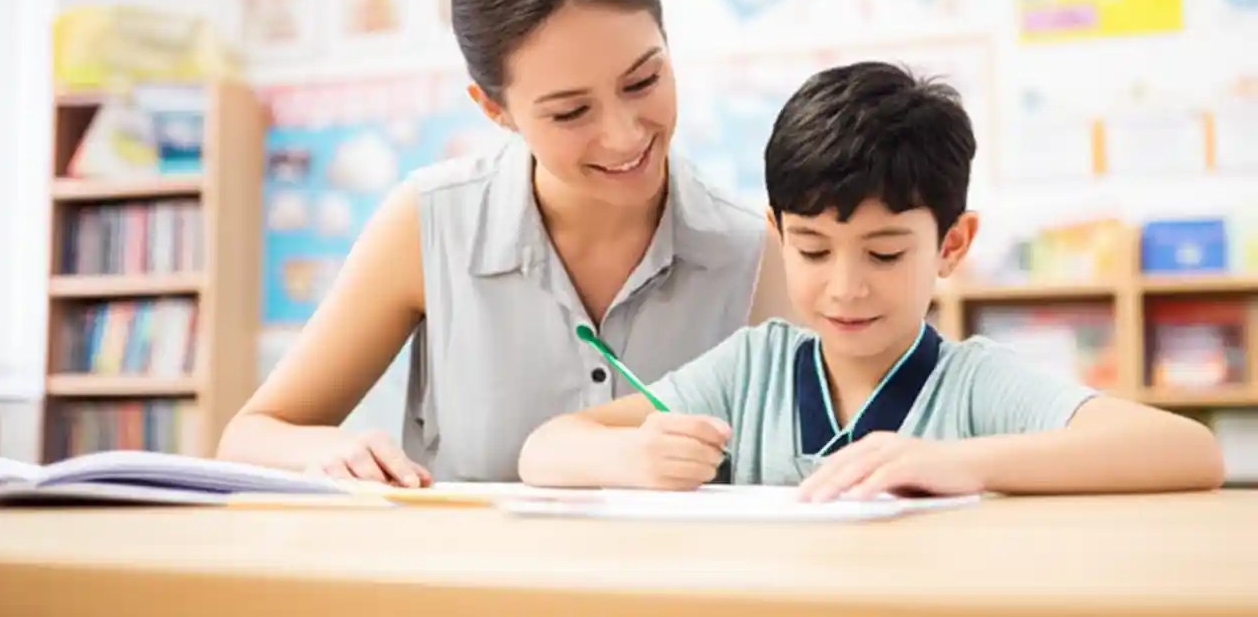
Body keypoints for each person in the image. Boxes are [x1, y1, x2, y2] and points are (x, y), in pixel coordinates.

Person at [217, 0, 790, 484]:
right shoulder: (430, 224)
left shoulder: (756, 250)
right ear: (495, 109)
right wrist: (332, 450)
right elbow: (249, 435)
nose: (623, 135)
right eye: (570, 112)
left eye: (643, 80)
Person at [518, 62, 1226, 499]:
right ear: (778, 234)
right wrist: (632, 454)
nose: (845, 288)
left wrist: (964, 464)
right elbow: (544, 448)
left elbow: (1190, 452)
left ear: (952, 244)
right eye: (813, 251)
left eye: (884, 255)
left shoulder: (973, 386)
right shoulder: (751, 371)